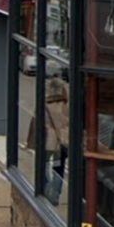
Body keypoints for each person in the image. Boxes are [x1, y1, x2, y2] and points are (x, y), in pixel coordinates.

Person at [44, 77, 70, 205]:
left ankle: (46, 190)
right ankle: (55, 195)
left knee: (44, 165)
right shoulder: (65, 106)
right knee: (58, 168)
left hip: (48, 141)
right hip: (61, 142)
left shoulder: (45, 105)